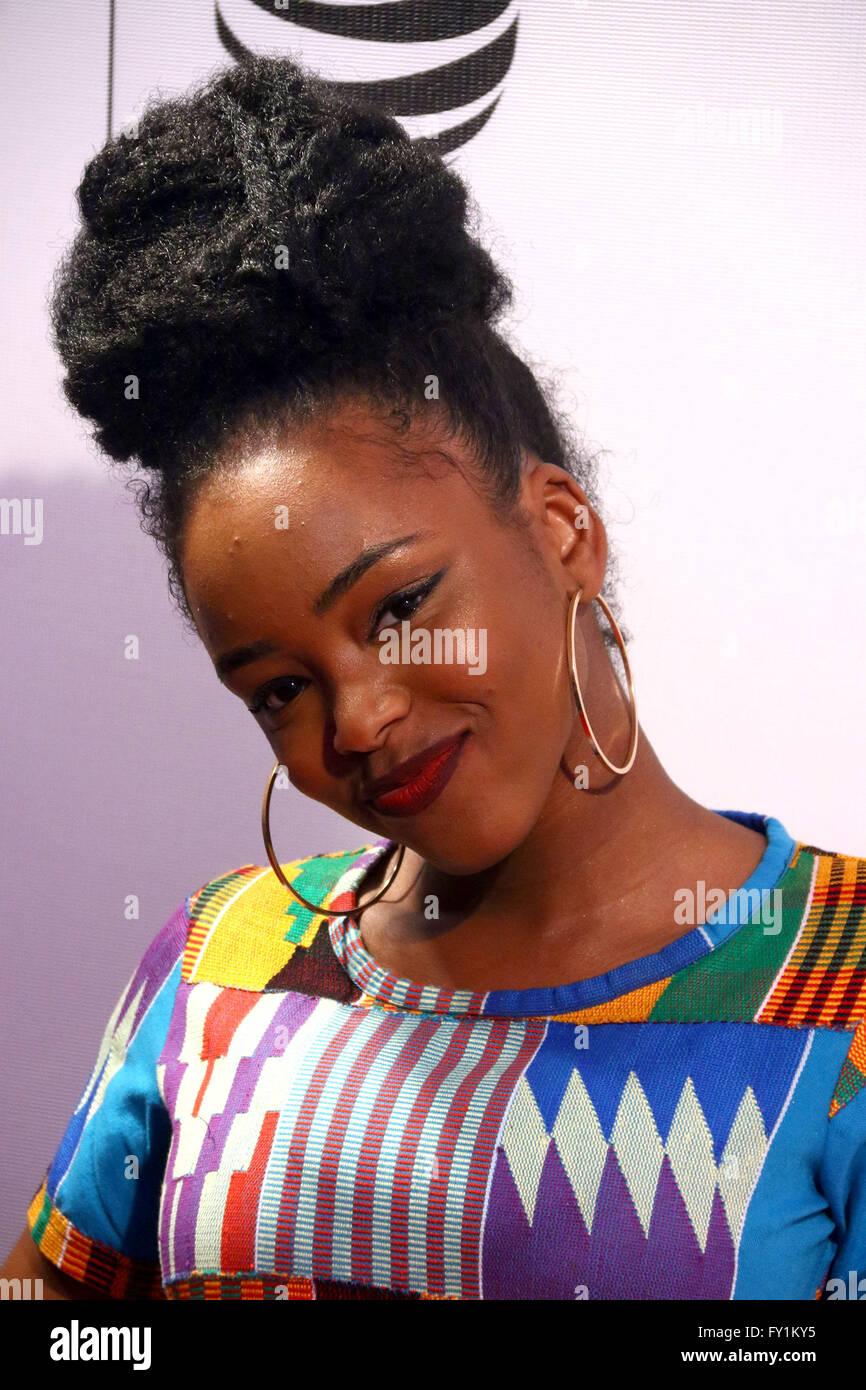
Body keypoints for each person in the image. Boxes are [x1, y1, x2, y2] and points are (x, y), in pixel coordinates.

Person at [3, 53, 864, 1301]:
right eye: (278, 688)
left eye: (400, 605)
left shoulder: (836, 983)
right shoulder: (219, 960)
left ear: (561, 526)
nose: (359, 718)